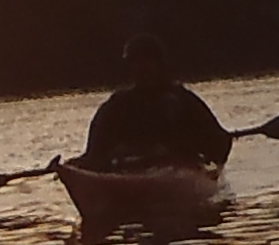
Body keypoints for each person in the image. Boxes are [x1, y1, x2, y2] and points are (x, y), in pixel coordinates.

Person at [79, 35, 229, 172]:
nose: (142, 67)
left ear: (160, 63)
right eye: (136, 61)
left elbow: (220, 142)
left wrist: (204, 155)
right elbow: (95, 151)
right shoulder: (117, 104)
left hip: (179, 167)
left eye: (148, 60)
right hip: (131, 169)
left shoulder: (182, 100)